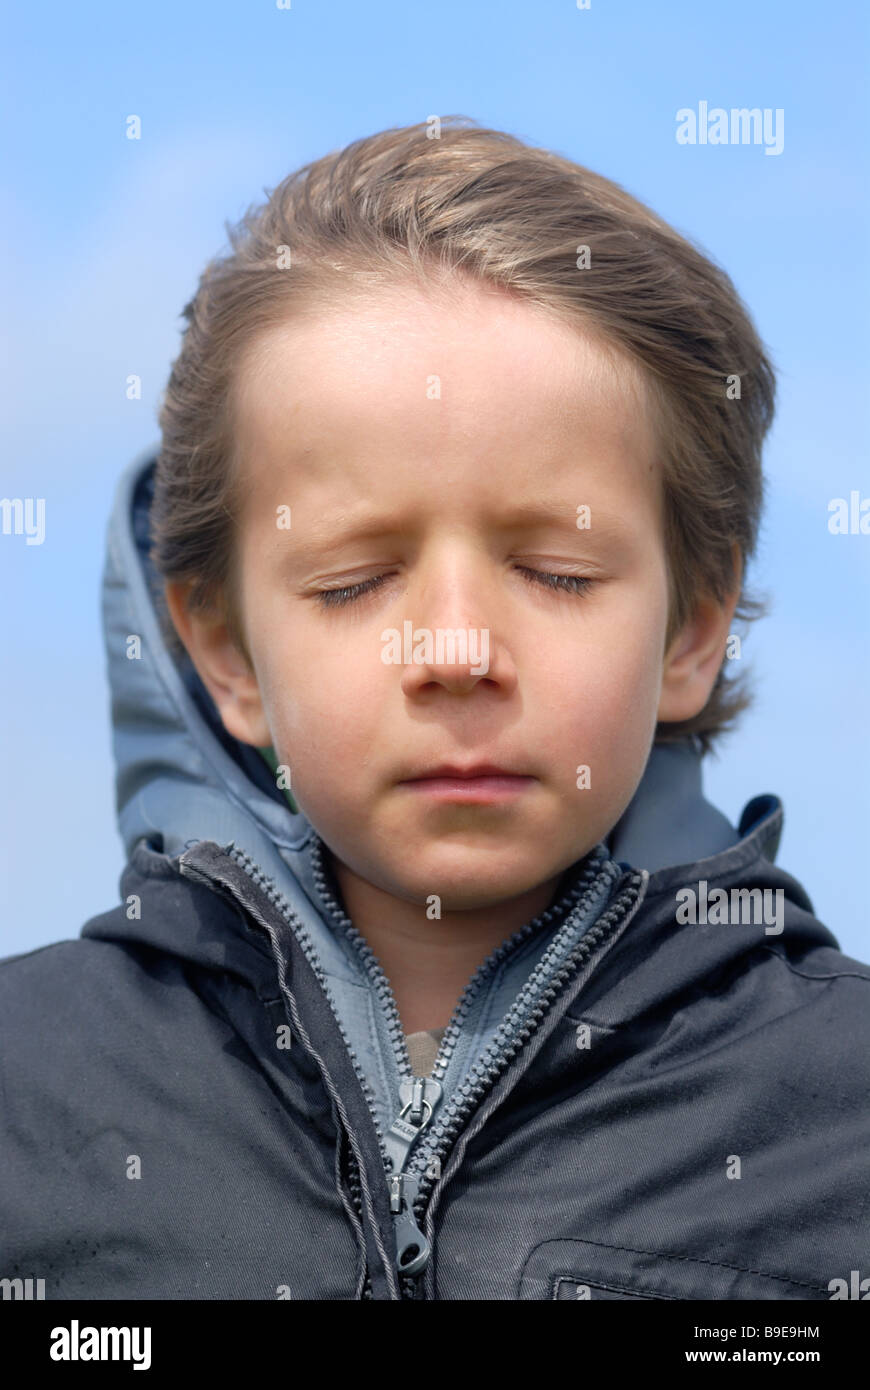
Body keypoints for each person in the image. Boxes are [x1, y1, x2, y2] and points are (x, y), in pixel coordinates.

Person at [1, 118, 867, 1301]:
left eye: (557, 572)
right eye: (354, 580)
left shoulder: (842, 1114)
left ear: (692, 629)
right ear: (225, 649)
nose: (454, 651)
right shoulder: (26, 1089)